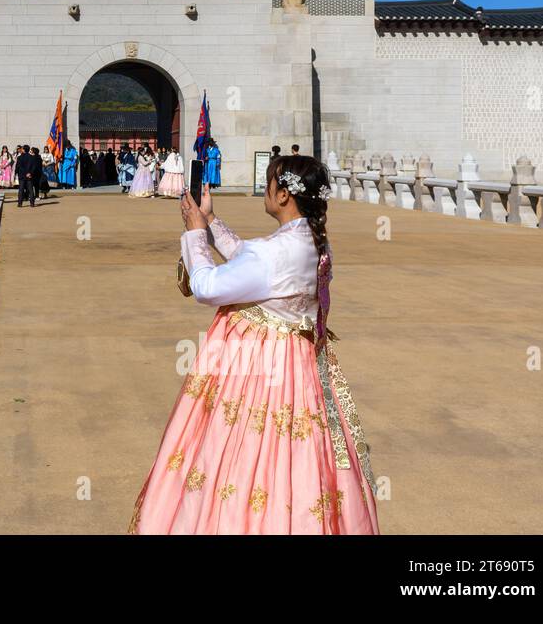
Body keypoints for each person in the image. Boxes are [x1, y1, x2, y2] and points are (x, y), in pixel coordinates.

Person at [130, 156, 379, 535]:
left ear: (283, 195)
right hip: (300, 369)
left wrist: (195, 235)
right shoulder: (313, 239)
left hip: (260, 372)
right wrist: (211, 222)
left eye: (268, 185)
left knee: (241, 457)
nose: (265, 191)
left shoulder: (277, 252)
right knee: (298, 462)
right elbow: (256, 264)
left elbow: (208, 287)